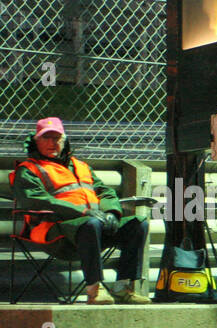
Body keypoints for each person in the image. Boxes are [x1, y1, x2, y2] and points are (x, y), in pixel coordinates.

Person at [10, 117, 149, 304]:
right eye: (46, 137)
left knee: (138, 223)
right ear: (36, 141)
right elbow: (35, 200)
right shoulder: (28, 170)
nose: (52, 142)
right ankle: (95, 291)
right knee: (90, 224)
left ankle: (121, 288)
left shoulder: (81, 166)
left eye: (57, 138)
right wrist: (81, 212)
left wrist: (111, 213)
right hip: (56, 234)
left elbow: (105, 191)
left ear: (65, 140)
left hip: (92, 229)